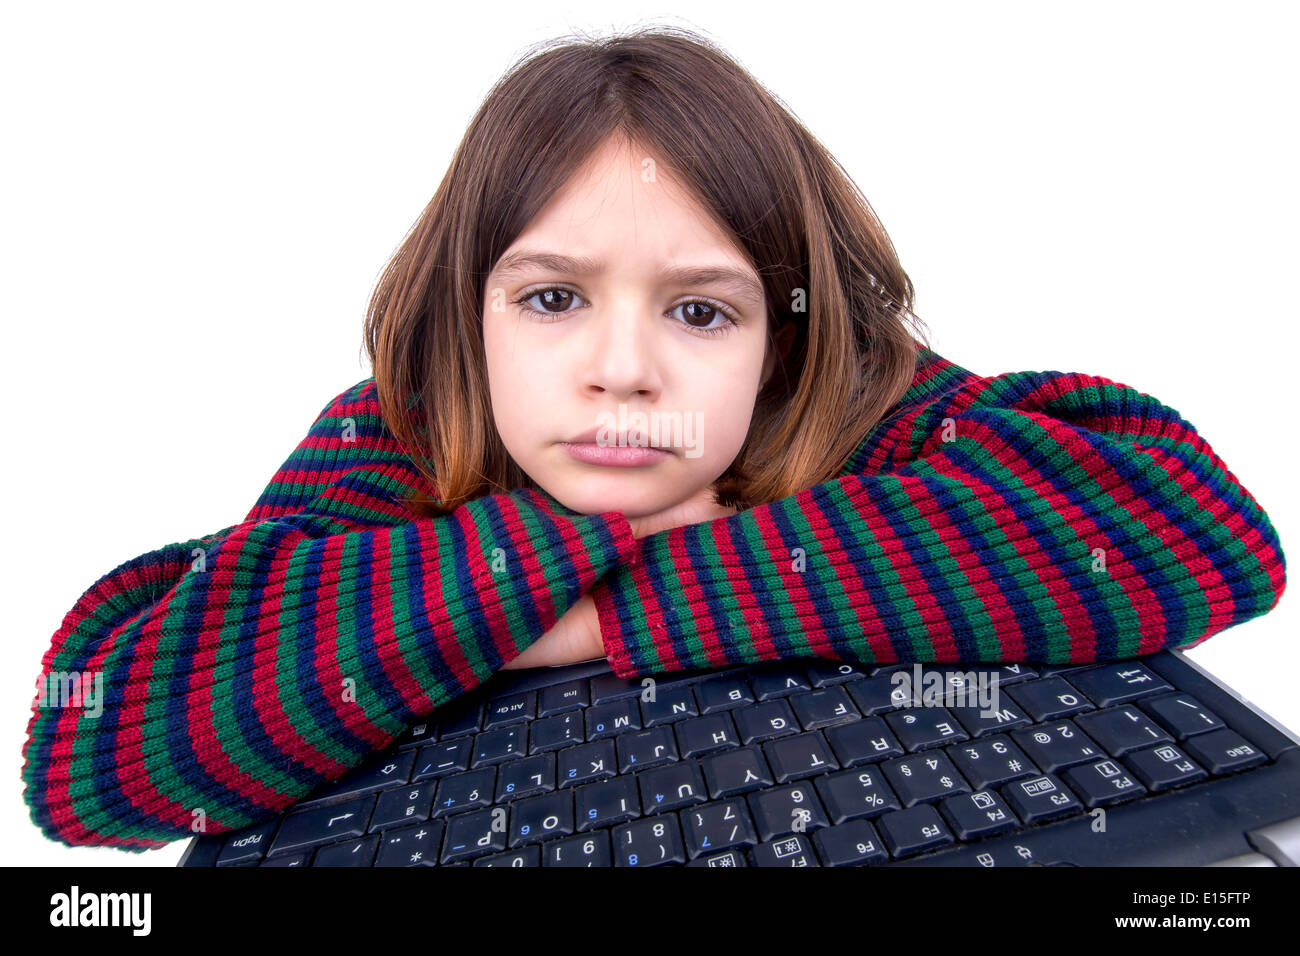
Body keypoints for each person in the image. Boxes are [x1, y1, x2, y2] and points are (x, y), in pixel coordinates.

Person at [21, 26, 1286, 850]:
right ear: (470, 315)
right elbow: (92, 741)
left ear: (780, 338)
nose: (621, 369)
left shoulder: (830, 404)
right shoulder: (406, 428)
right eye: (553, 297)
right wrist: (557, 560)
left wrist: (610, 609)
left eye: (698, 309)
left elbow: (1186, 519)